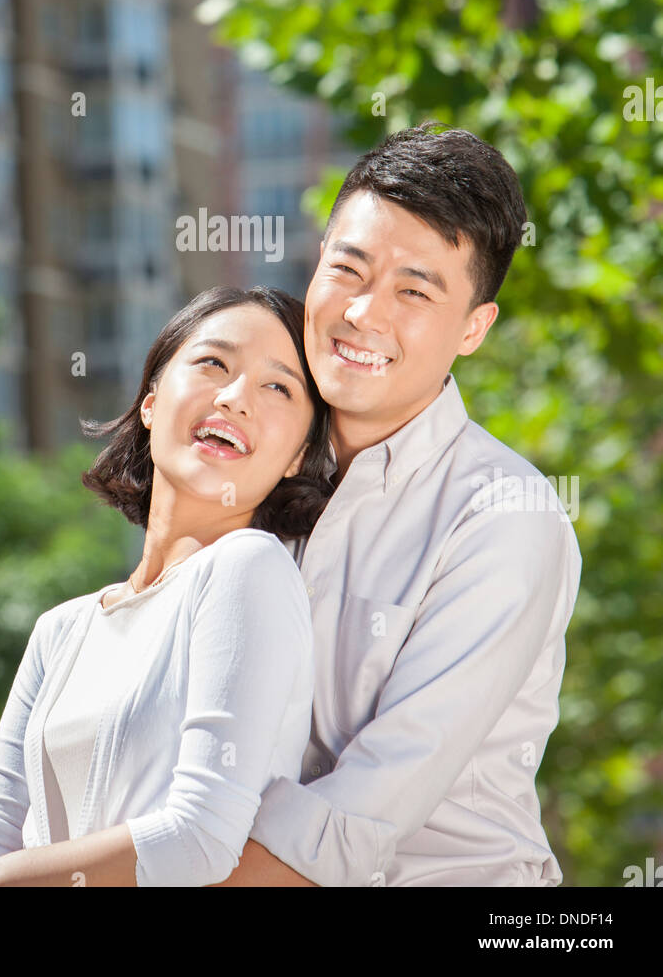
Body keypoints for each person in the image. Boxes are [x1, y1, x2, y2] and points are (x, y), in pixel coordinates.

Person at [210, 121, 583, 887]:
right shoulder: (250, 461)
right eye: (349, 270)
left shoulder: (504, 518)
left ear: (475, 328)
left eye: (414, 291)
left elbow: (347, 827)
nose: (362, 315)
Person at [0, 285, 334, 887]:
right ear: (151, 401)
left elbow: (201, 837)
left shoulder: (248, 569)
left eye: (277, 387)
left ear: (296, 457)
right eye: (213, 363)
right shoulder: (61, 630)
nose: (235, 399)